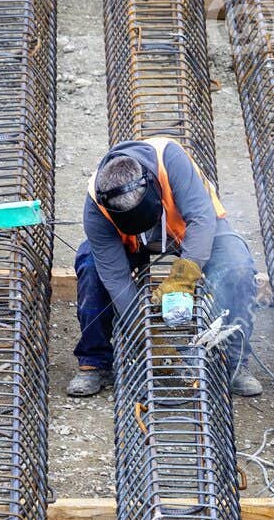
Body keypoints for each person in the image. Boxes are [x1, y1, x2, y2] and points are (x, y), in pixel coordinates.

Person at [67, 135, 261, 398]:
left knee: (236, 266)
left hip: (188, 230)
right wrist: (151, 339)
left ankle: (236, 361)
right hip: (133, 243)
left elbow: (202, 220)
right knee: (91, 265)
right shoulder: (95, 206)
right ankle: (94, 362)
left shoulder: (169, 159)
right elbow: (116, 279)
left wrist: (182, 278)